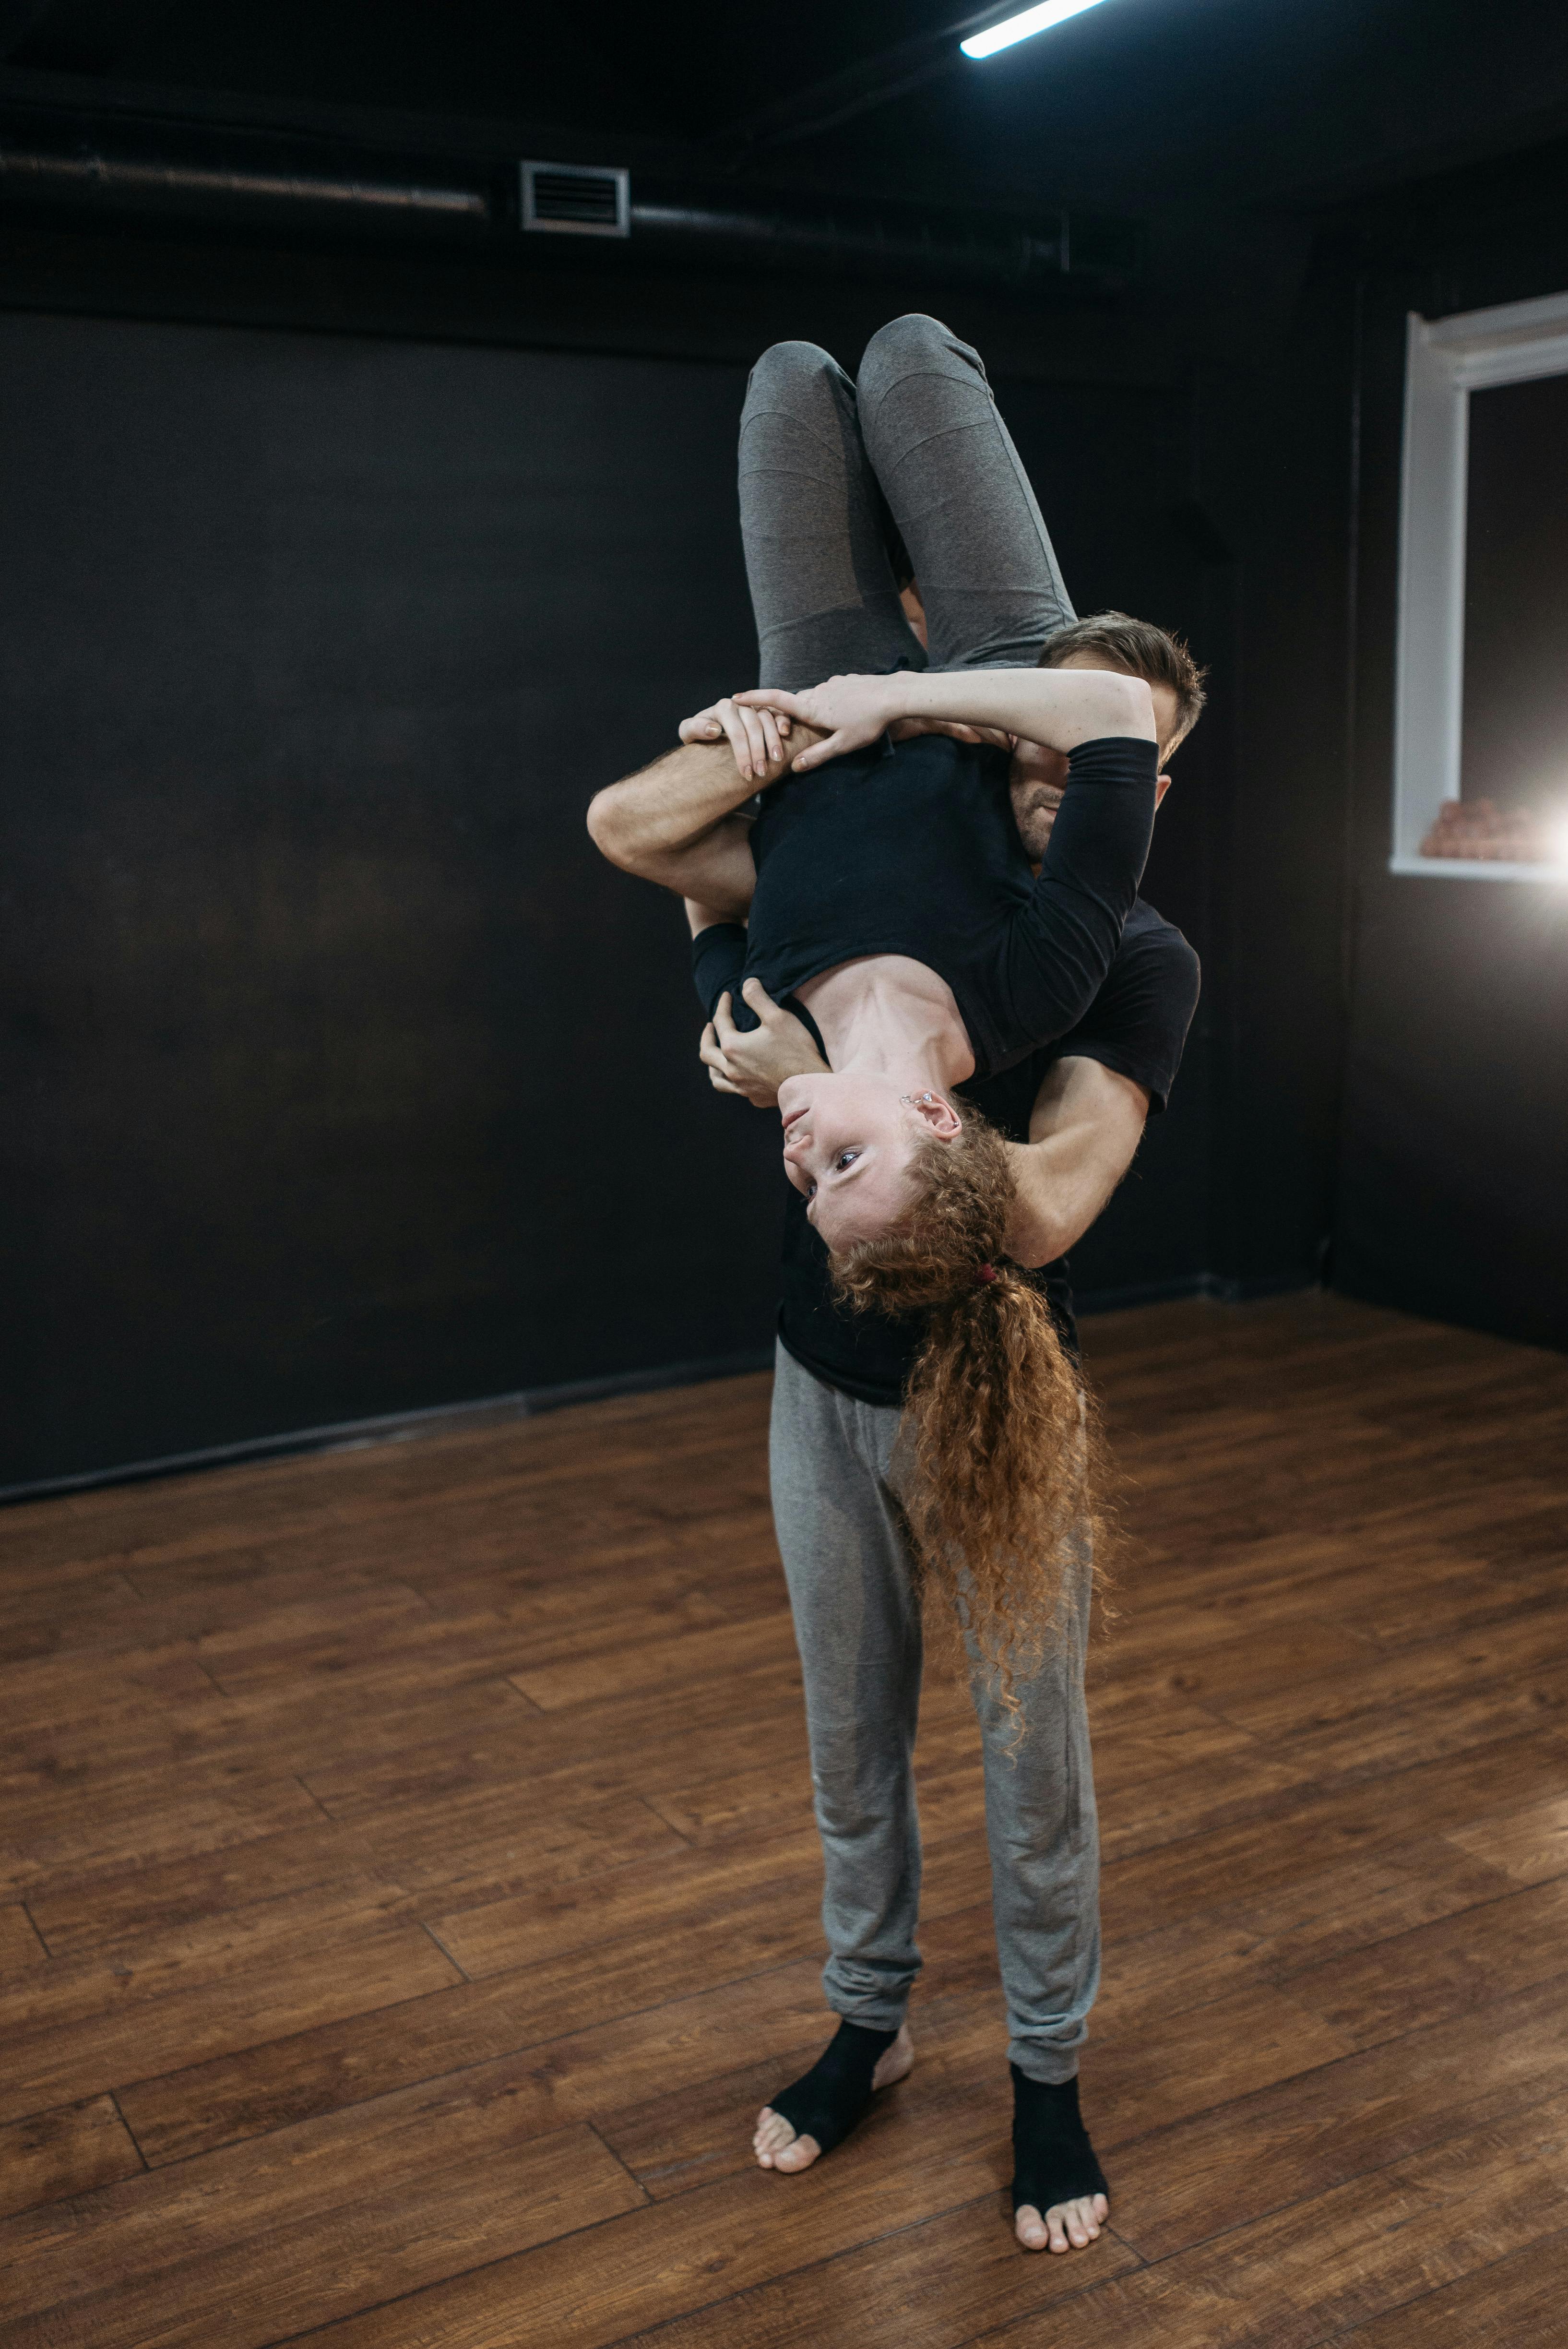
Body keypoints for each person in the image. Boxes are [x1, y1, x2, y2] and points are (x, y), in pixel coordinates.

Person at [587, 316, 1202, 2256]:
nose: (800, 1153)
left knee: (782, 381)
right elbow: (1115, 726)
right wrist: (902, 700)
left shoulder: (823, 1019)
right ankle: (889, 2030)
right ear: (931, 1123)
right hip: (849, 1388)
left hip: (921, 1393)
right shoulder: (1048, 954)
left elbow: (640, 843)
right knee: (917, 358)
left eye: (807, 1167)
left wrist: (763, 732)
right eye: (838, 1161)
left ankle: (1038, 2076)